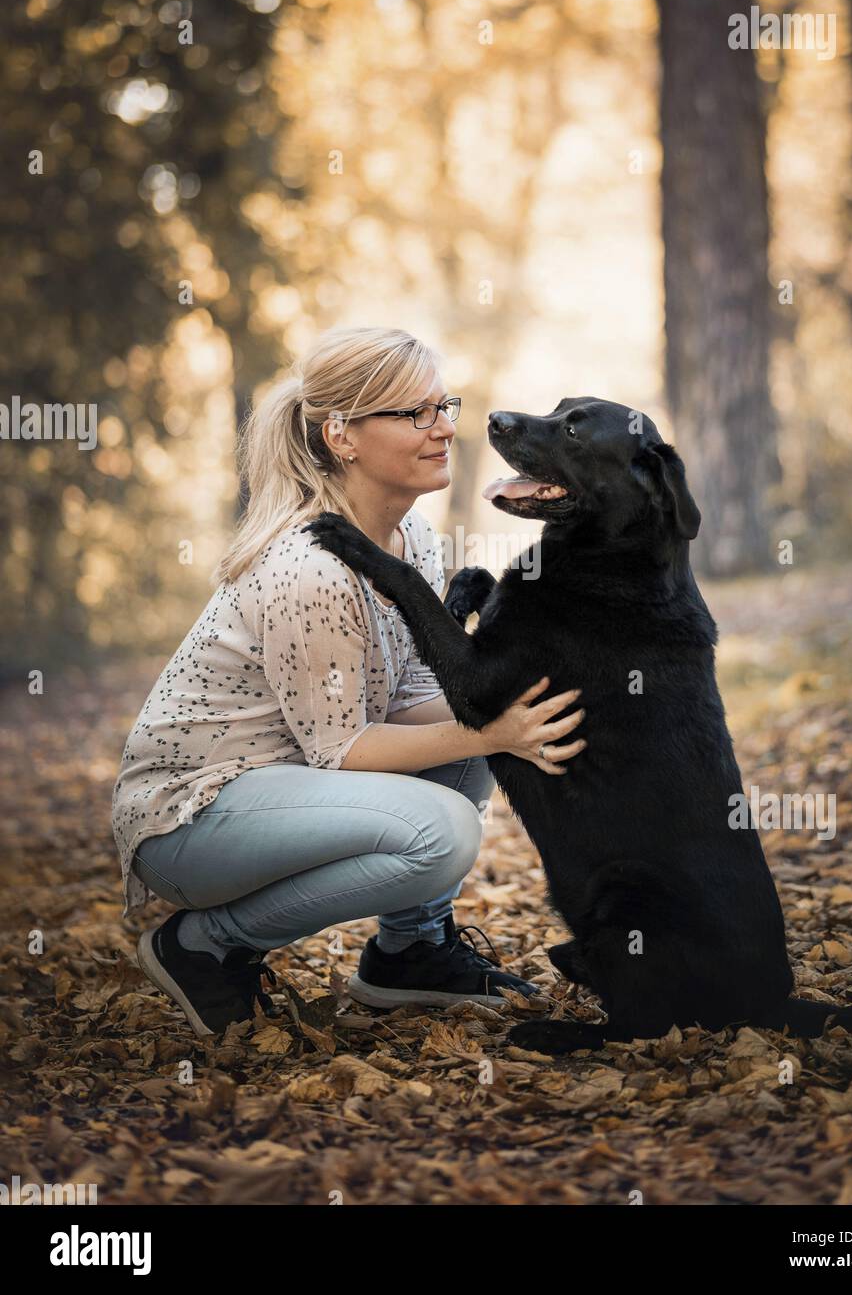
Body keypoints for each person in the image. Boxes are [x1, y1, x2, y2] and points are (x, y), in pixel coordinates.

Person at [111, 326, 587, 1038]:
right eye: (414, 414)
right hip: (192, 820)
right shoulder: (310, 566)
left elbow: (416, 703)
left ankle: (411, 952)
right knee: (442, 830)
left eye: (444, 405)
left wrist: (506, 717)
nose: (446, 428)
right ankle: (203, 946)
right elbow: (344, 750)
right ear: (343, 436)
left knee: (476, 732)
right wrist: (493, 730)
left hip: (286, 784)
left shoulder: (411, 538)